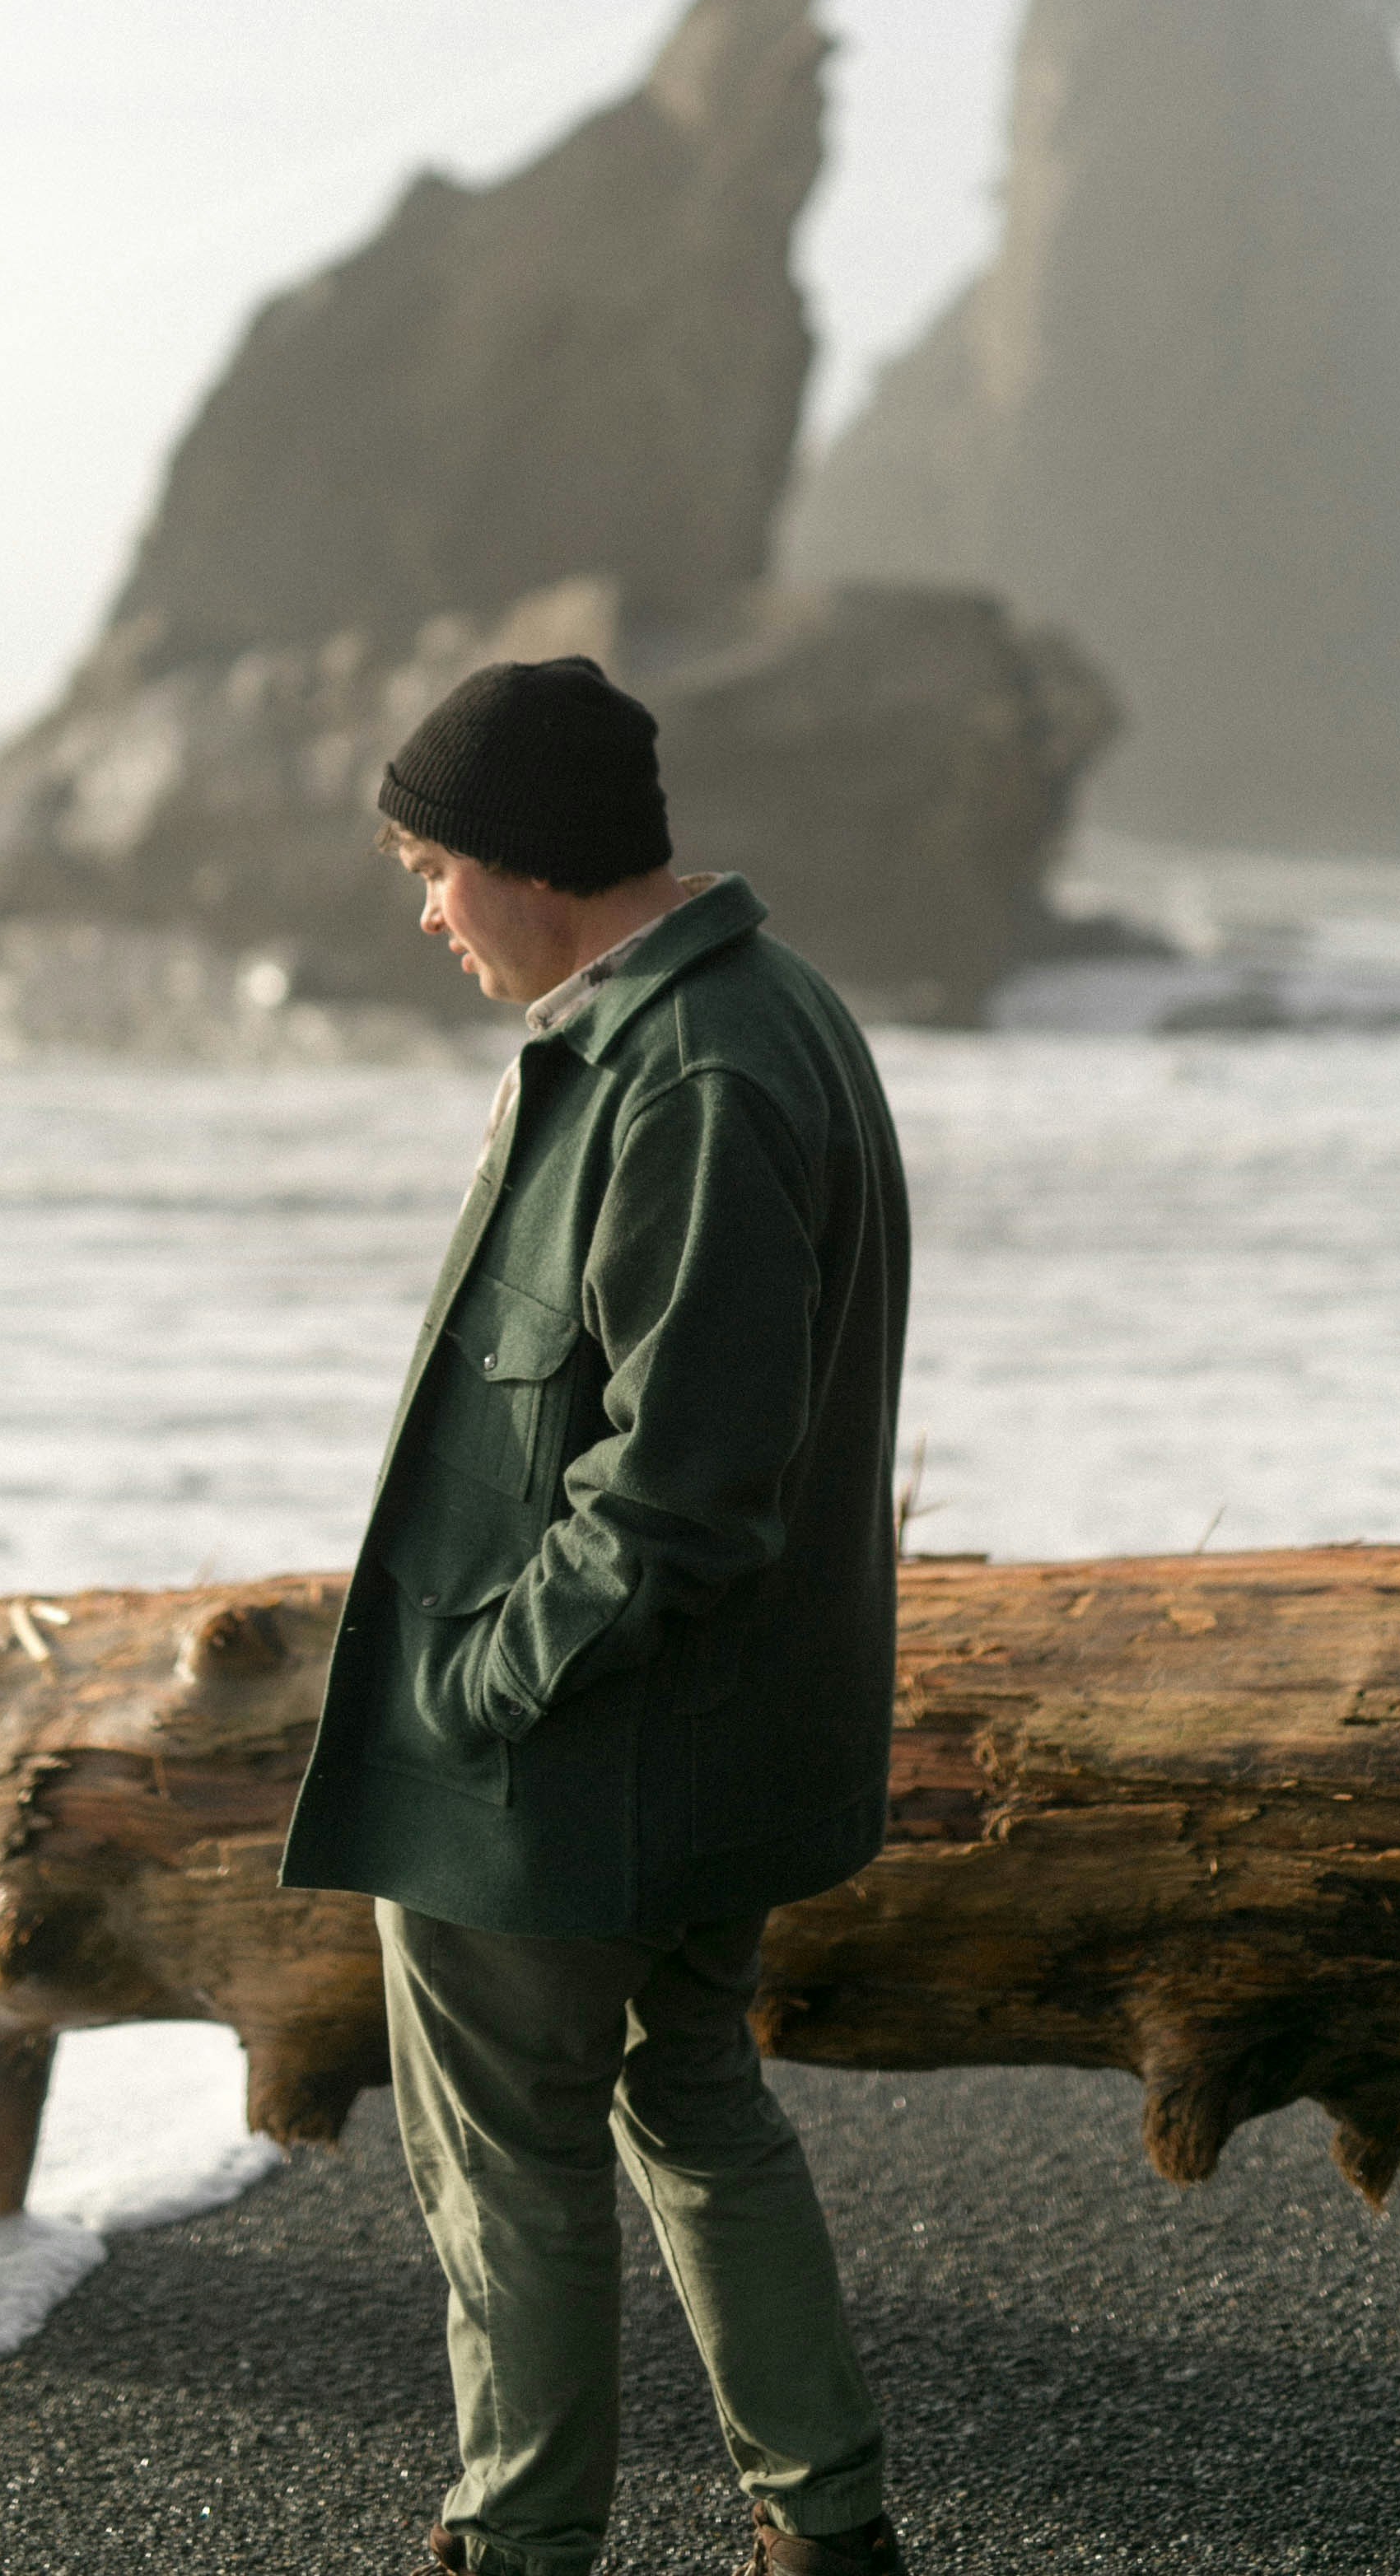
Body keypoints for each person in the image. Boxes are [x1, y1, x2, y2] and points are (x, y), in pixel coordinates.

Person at [281, 651, 911, 2576]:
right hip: (689, 1737)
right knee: (687, 2095)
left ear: (524, 863)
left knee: (507, 2154)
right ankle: (825, 2524)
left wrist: (475, 1685)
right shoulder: (714, 1022)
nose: (424, 910)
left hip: (580, 1755)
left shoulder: (701, 1065)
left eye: (431, 865)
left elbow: (682, 1485)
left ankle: (521, 2539)